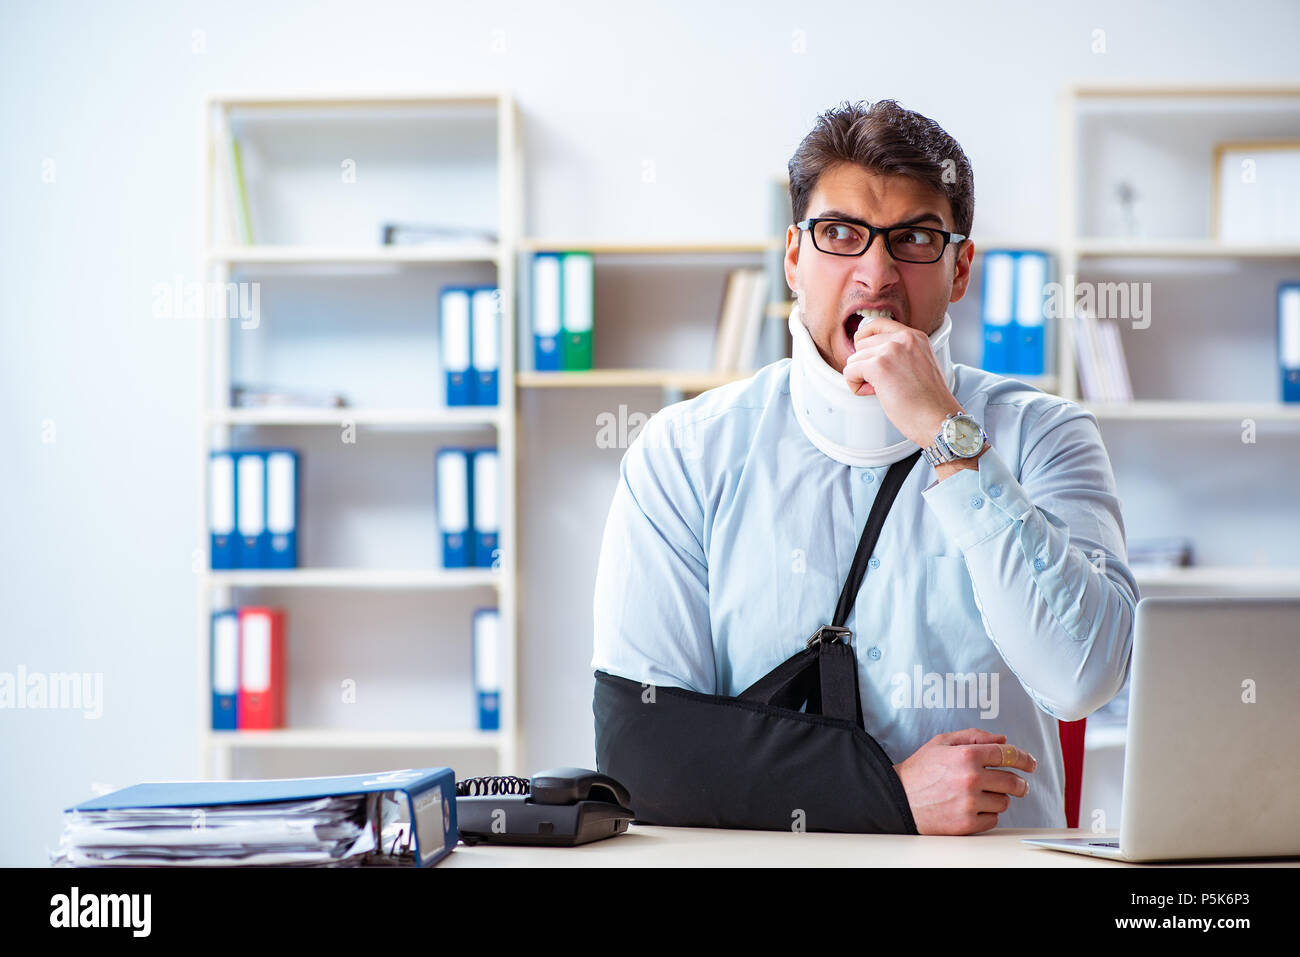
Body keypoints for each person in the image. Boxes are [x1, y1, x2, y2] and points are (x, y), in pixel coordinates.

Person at [591, 99, 1138, 834]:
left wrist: (949, 436)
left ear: (961, 267)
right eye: (840, 234)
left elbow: (1082, 675)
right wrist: (885, 796)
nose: (875, 275)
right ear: (793, 257)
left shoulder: (1047, 434)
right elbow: (645, 752)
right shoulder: (682, 452)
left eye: (914, 238)